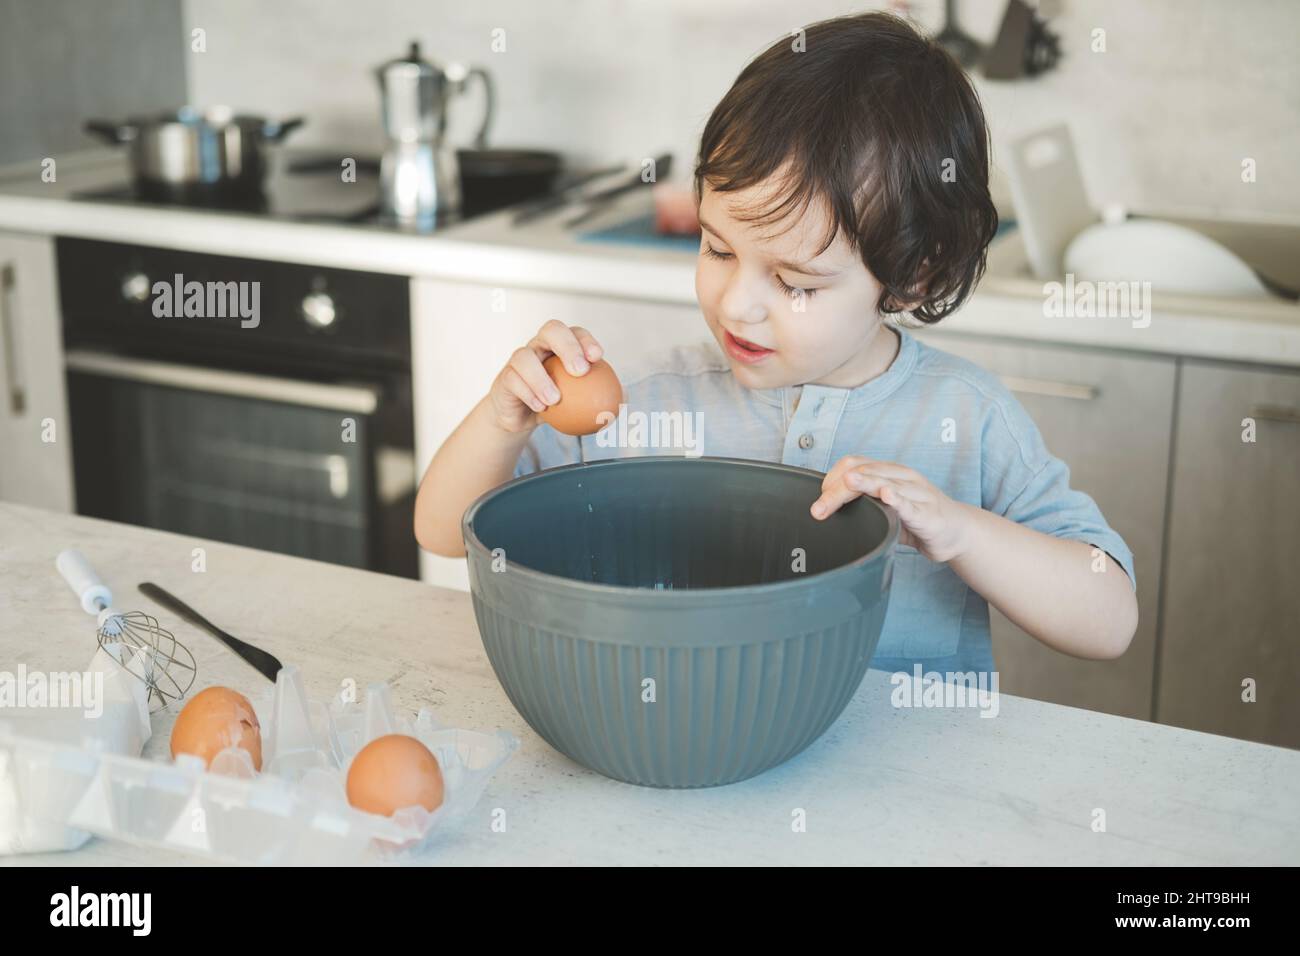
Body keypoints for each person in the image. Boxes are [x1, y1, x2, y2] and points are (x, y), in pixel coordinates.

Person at [415, 12, 1138, 679]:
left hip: (903, 797)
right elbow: (444, 532)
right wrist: (500, 420)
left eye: (796, 283)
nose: (736, 305)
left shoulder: (967, 417)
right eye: (718, 248)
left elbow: (1108, 619)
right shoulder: (646, 404)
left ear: (914, 275)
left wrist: (961, 532)